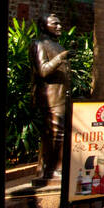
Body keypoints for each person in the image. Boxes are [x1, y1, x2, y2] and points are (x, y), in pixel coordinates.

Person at [30, 14, 70, 180]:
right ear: (43, 26)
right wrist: (61, 58)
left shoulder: (57, 45)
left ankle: (49, 169)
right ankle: (53, 170)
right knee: (55, 134)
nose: (59, 26)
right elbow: (43, 70)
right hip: (50, 97)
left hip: (61, 95)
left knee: (58, 133)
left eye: (60, 23)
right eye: (55, 23)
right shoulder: (39, 44)